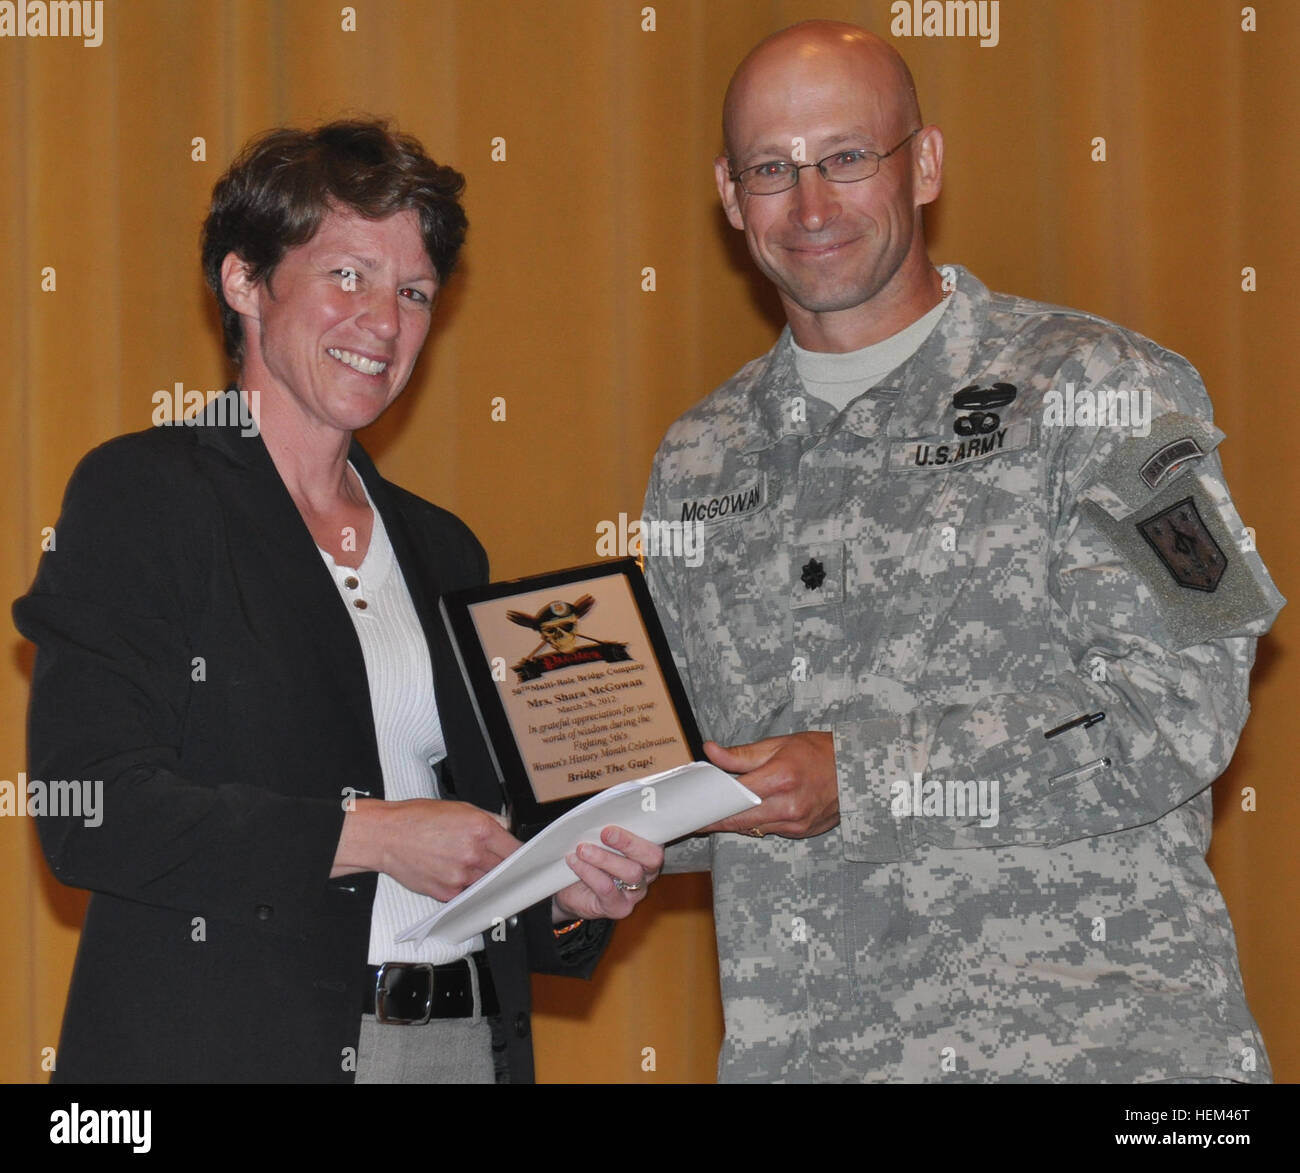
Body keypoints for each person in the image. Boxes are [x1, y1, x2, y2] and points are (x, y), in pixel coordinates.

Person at [643, 22, 1284, 1082]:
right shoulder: (698, 459)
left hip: (1104, 1059)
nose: (810, 205)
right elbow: (717, 770)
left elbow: (1181, 704)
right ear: (729, 194)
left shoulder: (1103, 387)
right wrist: (612, 843)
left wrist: (864, 774)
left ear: (925, 164)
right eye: (771, 169)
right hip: (809, 1056)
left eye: (848, 156)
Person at [15, 119, 663, 1084]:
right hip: (239, 1051)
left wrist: (565, 895)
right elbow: (93, 810)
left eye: (413, 292)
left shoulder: (444, 547)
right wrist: (374, 834)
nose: (385, 323)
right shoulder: (144, 495)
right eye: (348, 275)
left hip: (459, 1045)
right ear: (245, 282)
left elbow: (476, 842)